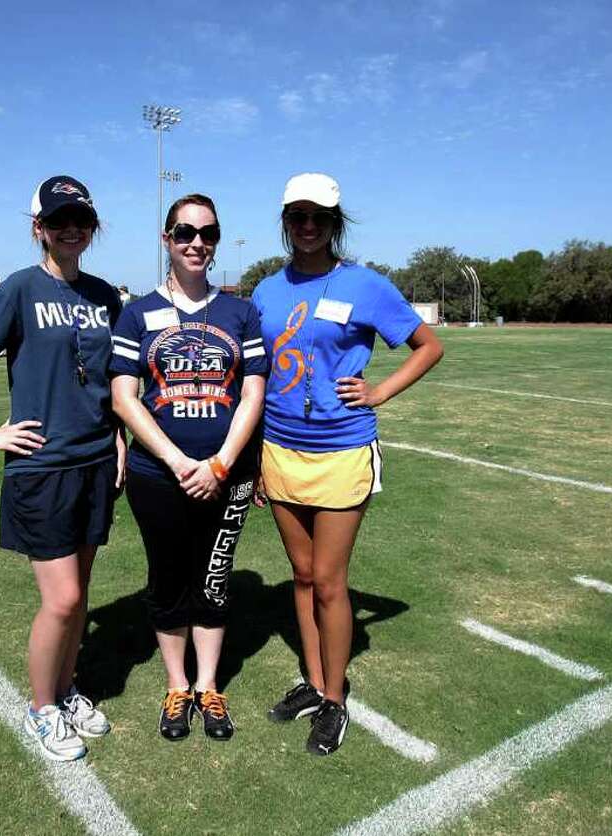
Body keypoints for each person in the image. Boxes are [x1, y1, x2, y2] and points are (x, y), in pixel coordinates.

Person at [251, 173, 443, 755]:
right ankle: (312, 682)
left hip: (341, 450)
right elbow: (256, 371)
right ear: (286, 221)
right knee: (302, 577)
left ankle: (335, 700)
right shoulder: (266, 288)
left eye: (319, 217)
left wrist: (380, 392)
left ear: (335, 222)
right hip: (280, 448)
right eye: (298, 216)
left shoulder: (365, 284)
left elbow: (428, 346)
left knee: (331, 583)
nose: (307, 226)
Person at [0, 175, 124, 762]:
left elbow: (113, 380)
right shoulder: (21, 288)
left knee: (84, 589)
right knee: (64, 598)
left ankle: (67, 687)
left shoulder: (105, 295)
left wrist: (120, 439)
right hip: (42, 467)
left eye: (80, 219)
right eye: (58, 220)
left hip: (98, 461)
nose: (70, 228)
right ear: (38, 228)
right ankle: (41, 708)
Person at [110, 194, 268, 741]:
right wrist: (179, 462)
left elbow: (253, 394)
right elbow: (125, 397)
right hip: (160, 477)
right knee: (169, 578)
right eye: (184, 232)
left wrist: (221, 464)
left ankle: (208, 687)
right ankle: (177, 687)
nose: (196, 243)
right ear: (166, 240)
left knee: (215, 581)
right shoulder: (137, 312)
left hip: (228, 475)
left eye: (207, 233)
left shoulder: (240, 311)